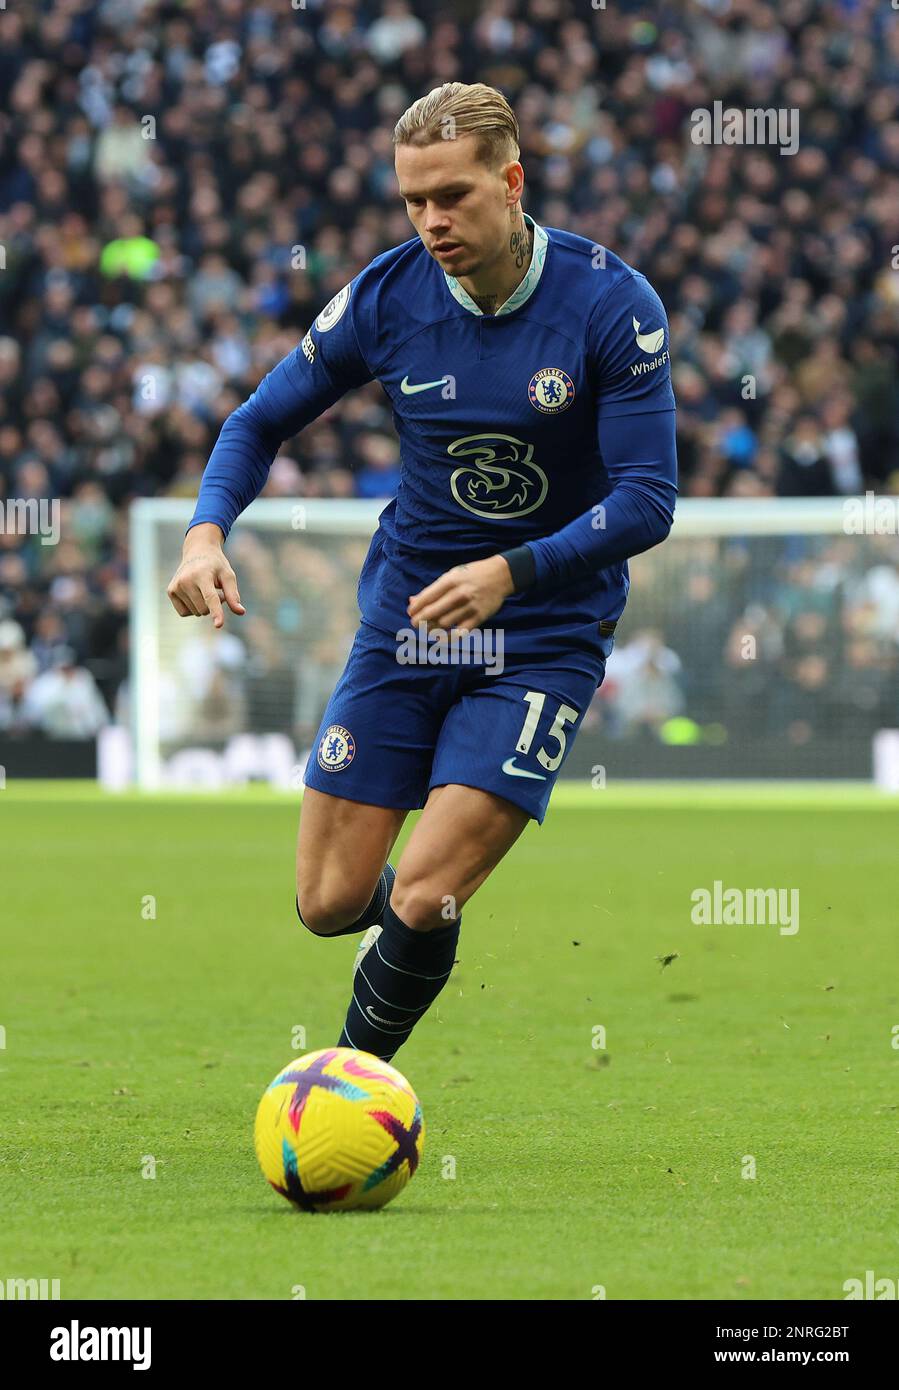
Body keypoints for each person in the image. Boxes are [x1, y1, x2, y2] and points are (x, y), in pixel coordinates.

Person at [166, 82, 677, 1061]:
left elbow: (645, 501)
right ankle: (404, 932)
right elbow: (257, 421)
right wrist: (203, 533)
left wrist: (511, 573)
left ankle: (349, 1088)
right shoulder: (387, 296)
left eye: (452, 195)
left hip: (539, 636)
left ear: (511, 180)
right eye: (412, 200)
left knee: (425, 886)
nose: (431, 220)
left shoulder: (610, 304)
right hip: (406, 623)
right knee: (327, 902)